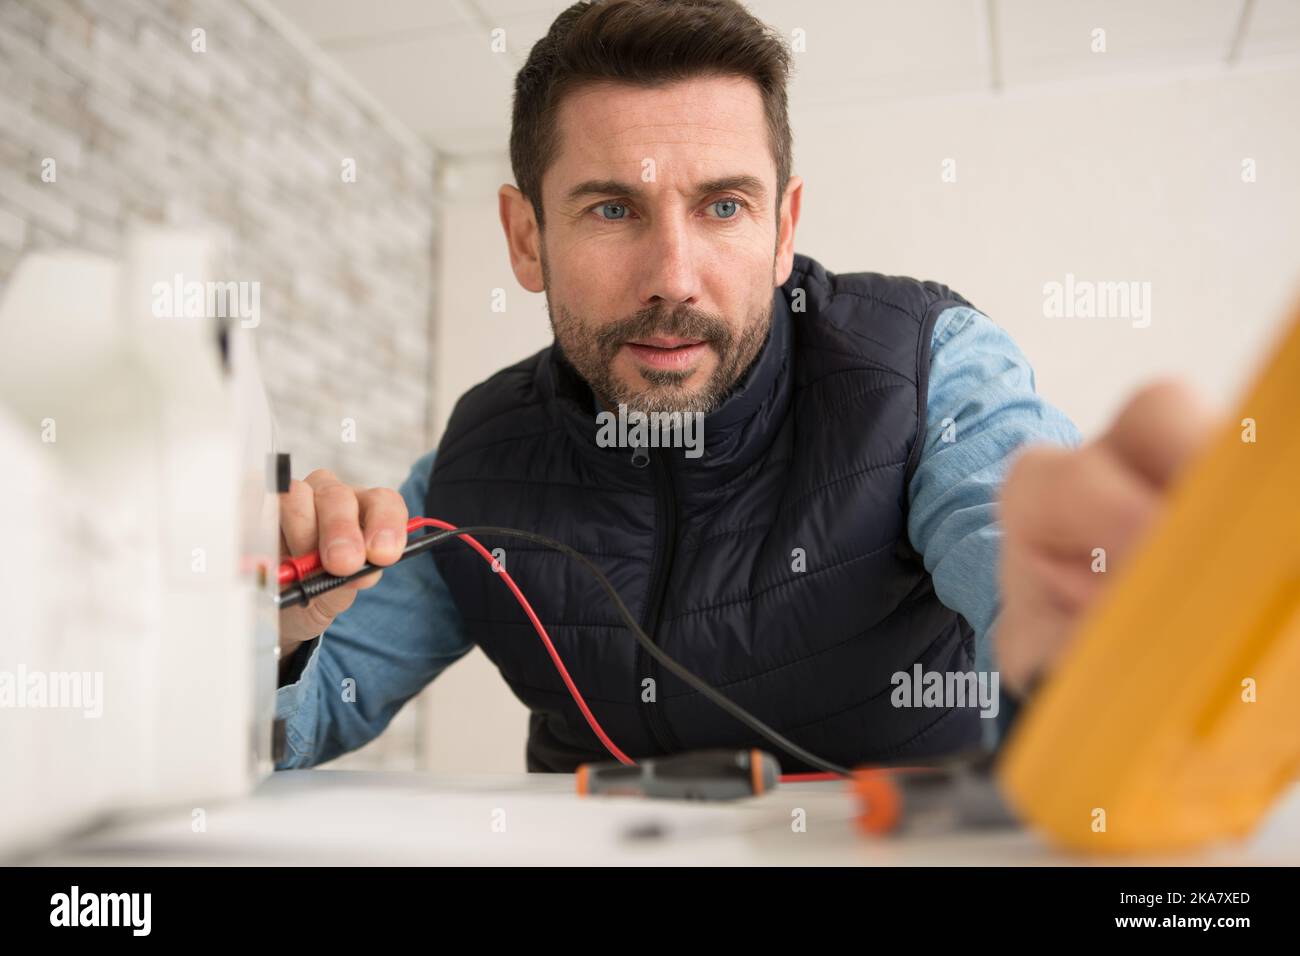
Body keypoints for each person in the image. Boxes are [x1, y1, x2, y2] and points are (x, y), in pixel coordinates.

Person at [274, 0, 1215, 773]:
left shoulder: (929, 369)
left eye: (723, 206)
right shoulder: (476, 459)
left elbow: (1020, 566)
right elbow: (299, 717)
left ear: (781, 230)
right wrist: (255, 630)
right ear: (527, 239)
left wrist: (1100, 643)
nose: (673, 277)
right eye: (612, 208)